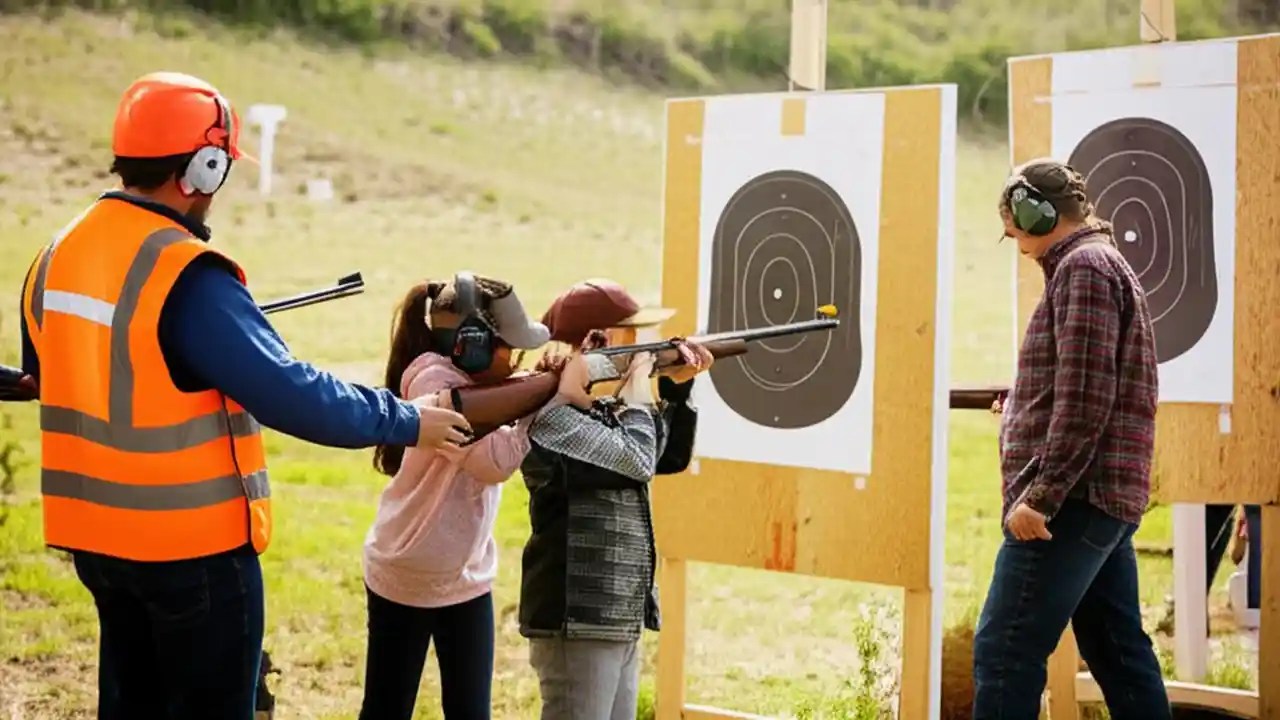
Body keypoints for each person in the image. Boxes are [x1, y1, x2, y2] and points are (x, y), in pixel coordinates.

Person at [16, 72, 469, 720]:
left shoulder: (55, 254)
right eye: (220, 166)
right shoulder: (185, 274)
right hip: (190, 553)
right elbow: (292, 394)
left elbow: (46, 371)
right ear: (200, 168)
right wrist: (406, 420)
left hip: (97, 545)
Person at [973, 159, 1170, 719]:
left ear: (1037, 213)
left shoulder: (1084, 269)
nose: (1014, 240)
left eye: (1015, 226)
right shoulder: (1096, 265)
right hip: (1097, 497)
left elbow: (1086, 398)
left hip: (1072, 502)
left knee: (1005, 651)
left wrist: (1042, 494)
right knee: (1118, 653)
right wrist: (1020, 415)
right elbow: (1078, 385)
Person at [518, 279, 713, 720]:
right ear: (595, 343)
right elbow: (637, 459)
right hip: (577, 619)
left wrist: (676, 391)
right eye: (631, 337)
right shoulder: (551, 419)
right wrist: (640, 393)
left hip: (615, 615)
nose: (642, 347)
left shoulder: (596, 410)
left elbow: (667, 458)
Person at [359, 274, 552, 720]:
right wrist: (548, 399)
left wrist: (537, 385)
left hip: (466, 576)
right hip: (408, 573)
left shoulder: (473, 383)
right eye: (512, 347)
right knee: (387, 707)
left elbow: (504, 396)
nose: (519, 358)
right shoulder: (436, 390)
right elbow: (495, 462)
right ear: (472, 345)